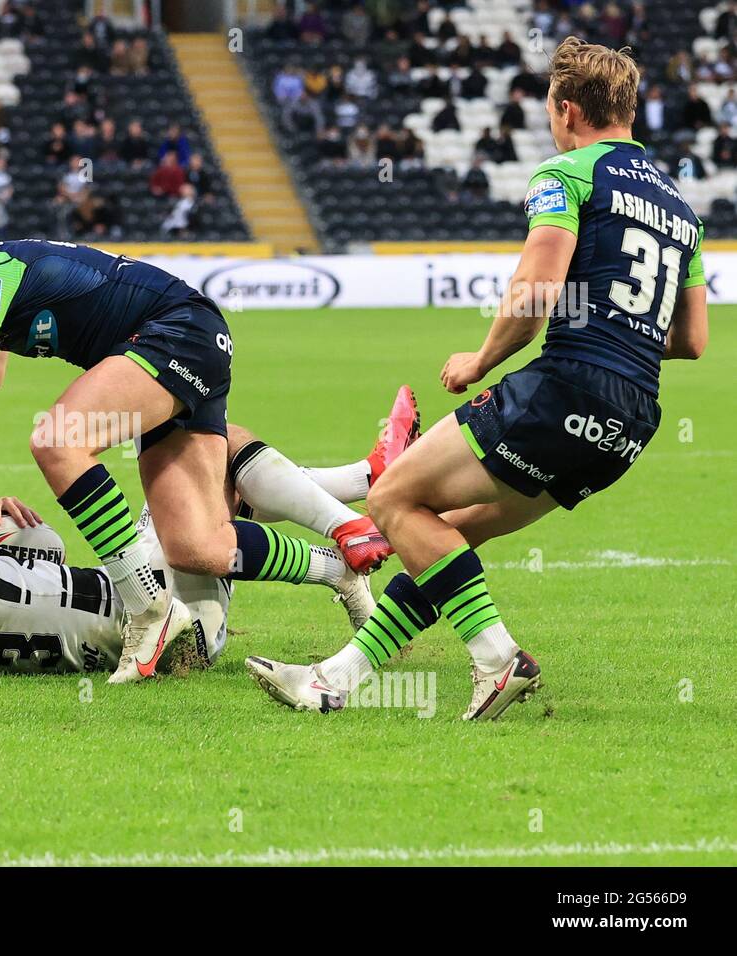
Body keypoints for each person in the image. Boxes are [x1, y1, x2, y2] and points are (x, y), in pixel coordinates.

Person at [247, 38, 708, 721]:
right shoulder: (682, 210)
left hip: (567, 390)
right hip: (632, 418)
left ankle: (497, 659)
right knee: (452, 532)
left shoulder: (568, 174)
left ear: (568, 109)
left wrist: (478, 362)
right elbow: (691, 340)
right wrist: (620, 334)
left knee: (395, 500)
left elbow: (532, 295)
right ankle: (332, 680)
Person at [0, 230, 398, 684]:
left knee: (56, 440)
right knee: (198, 546)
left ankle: (149, 608)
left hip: (173, 328)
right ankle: (337, 561)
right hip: (179, 342)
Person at [0, 406, 410, 675]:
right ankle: (345, 544)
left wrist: (25, 539)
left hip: (155, 633)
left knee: (205, 486)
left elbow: (47, 590)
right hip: (166, 620)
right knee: (211, 450)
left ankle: (367, 484)